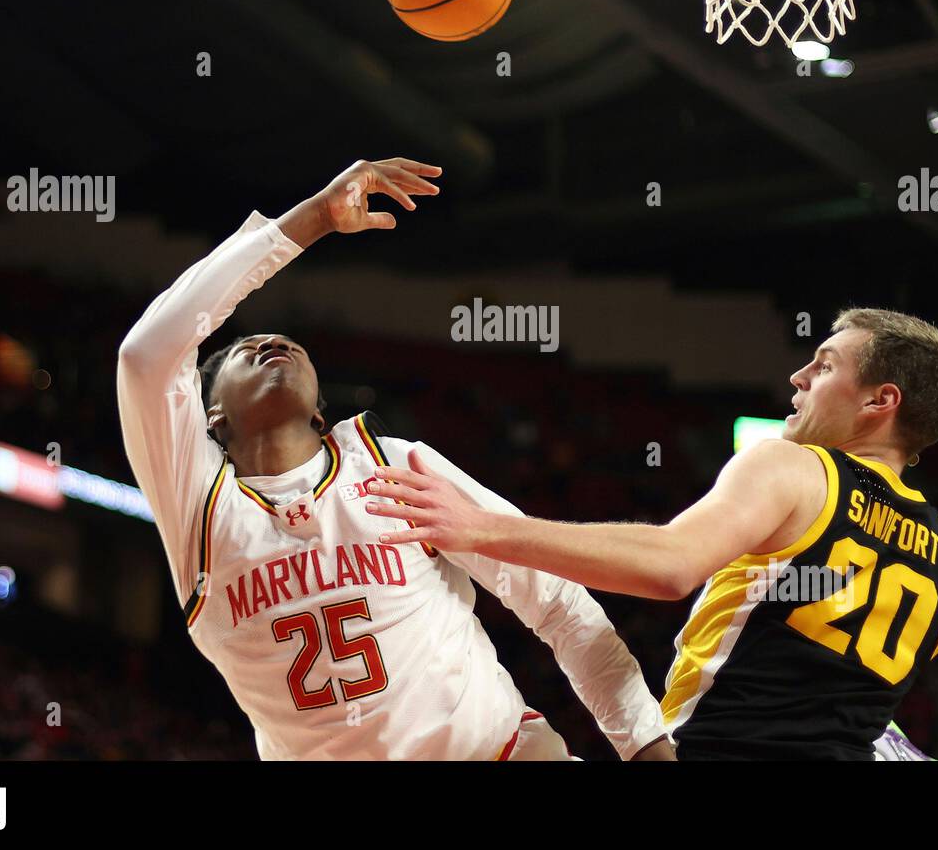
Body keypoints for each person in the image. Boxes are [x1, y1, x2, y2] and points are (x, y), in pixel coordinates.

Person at [117, 157, 671, 760]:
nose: (268, 342)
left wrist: (645, 745)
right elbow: (147, 355)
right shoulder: (198, 505)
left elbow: (556, 601)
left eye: (287, 344)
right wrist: (311, 220)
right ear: (210, 417)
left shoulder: (393, 464)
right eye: (242, 349)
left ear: (320, 415)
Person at [366, 309, 938, 759]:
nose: (799, 376)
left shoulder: (795, 469)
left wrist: (485, 528)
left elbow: (672, 566)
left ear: (879, 401)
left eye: (826, 364)